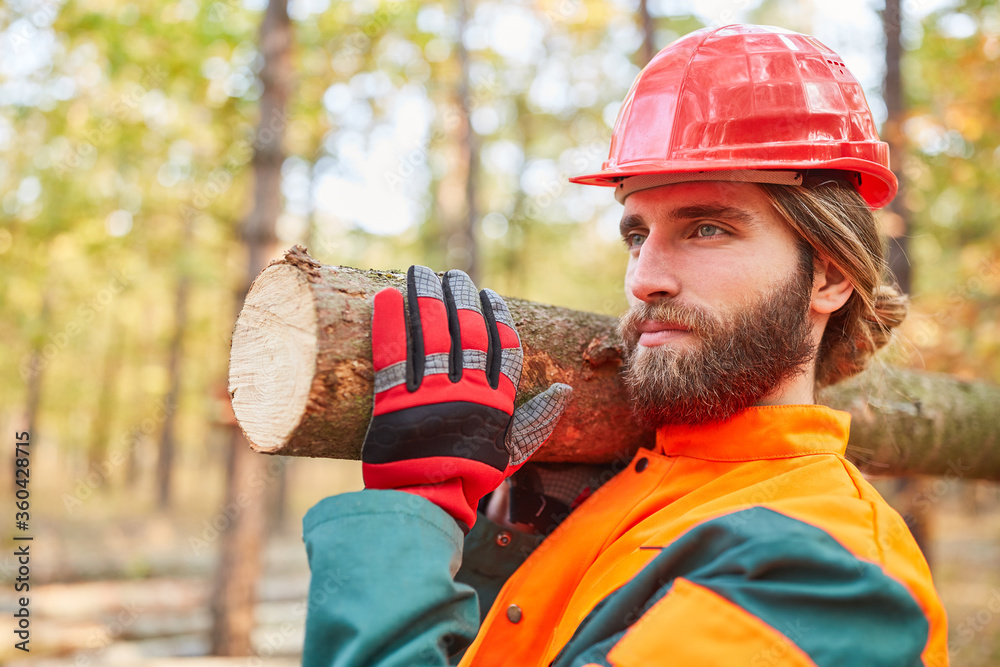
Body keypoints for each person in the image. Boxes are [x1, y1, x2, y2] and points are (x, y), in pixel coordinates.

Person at [301, 24, 949, 666]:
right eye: (637, 235)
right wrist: (497, 538)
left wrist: (409, 524)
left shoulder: (827, 570)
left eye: (706, 228)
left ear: (830, 274)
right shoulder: (632, 489)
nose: (643, 278)